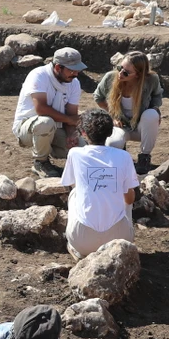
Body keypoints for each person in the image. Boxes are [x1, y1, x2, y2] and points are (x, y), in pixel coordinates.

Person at [61, 109, 139, 260]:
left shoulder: (75, 154)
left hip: (82, 240)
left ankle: (79, 252)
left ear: (83, 133)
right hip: (119, 240)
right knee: (127, 196)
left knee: (75, 193)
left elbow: (70, 183)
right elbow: (129, 199)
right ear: (110, 133)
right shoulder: (124, 156)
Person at [12, 47, 86, 178]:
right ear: (58, 67)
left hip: (56, 128)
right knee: (45, 122)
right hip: (27, 128)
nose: (76, 74)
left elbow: (71, 113)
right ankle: (40, 162)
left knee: (82, 147)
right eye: (72, 70)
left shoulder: (74, 83)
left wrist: (71, 134)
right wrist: (69, 120)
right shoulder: (39, 75)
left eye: (77, 70)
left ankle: (59, 156)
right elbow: (41, 109)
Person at [94, 51, 163, 174]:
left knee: (152, 115)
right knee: (112, 144)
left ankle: (144, 157)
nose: (120, 73)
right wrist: (113, 116)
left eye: (126, 72)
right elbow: (98, 97)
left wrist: (155, 108)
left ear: (138, 74)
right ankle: (121, 154)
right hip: (121, 124)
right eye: (120, 68)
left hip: (140, 126)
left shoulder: (151, 80)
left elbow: (157, 95)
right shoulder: (110, 77)